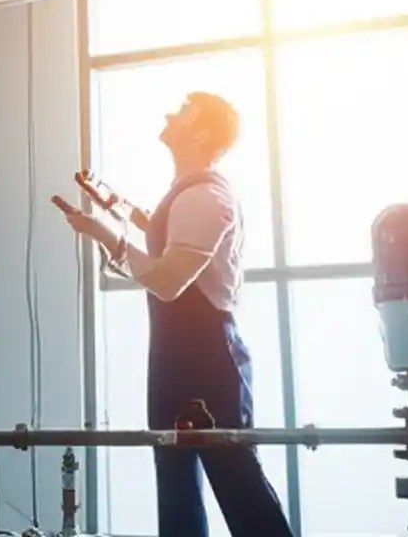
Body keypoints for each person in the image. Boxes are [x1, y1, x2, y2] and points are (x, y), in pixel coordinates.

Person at [55, 92, 294, 537]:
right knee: (175, 484)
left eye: (184, 110)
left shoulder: (206, 196)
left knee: (239, 486)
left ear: (202, 132)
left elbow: (168, 280)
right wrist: (121, 212)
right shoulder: (188, 193)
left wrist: (103, 232)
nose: (170, 112)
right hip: (175, 357)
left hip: (208, 360)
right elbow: (170, 243)